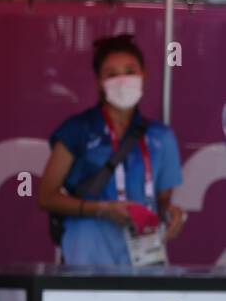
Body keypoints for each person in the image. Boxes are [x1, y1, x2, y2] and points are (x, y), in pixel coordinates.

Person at [38, 34, 185, 266]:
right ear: (99, 82)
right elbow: (46, 196)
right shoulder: (78, 129)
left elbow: (162, 199)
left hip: (143, 259)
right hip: (86, 255)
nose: (123, 80)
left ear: (144, 75)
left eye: (130, 71)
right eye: (112, 74)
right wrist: (102, 210)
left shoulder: (162, 136)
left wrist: (172, 214)